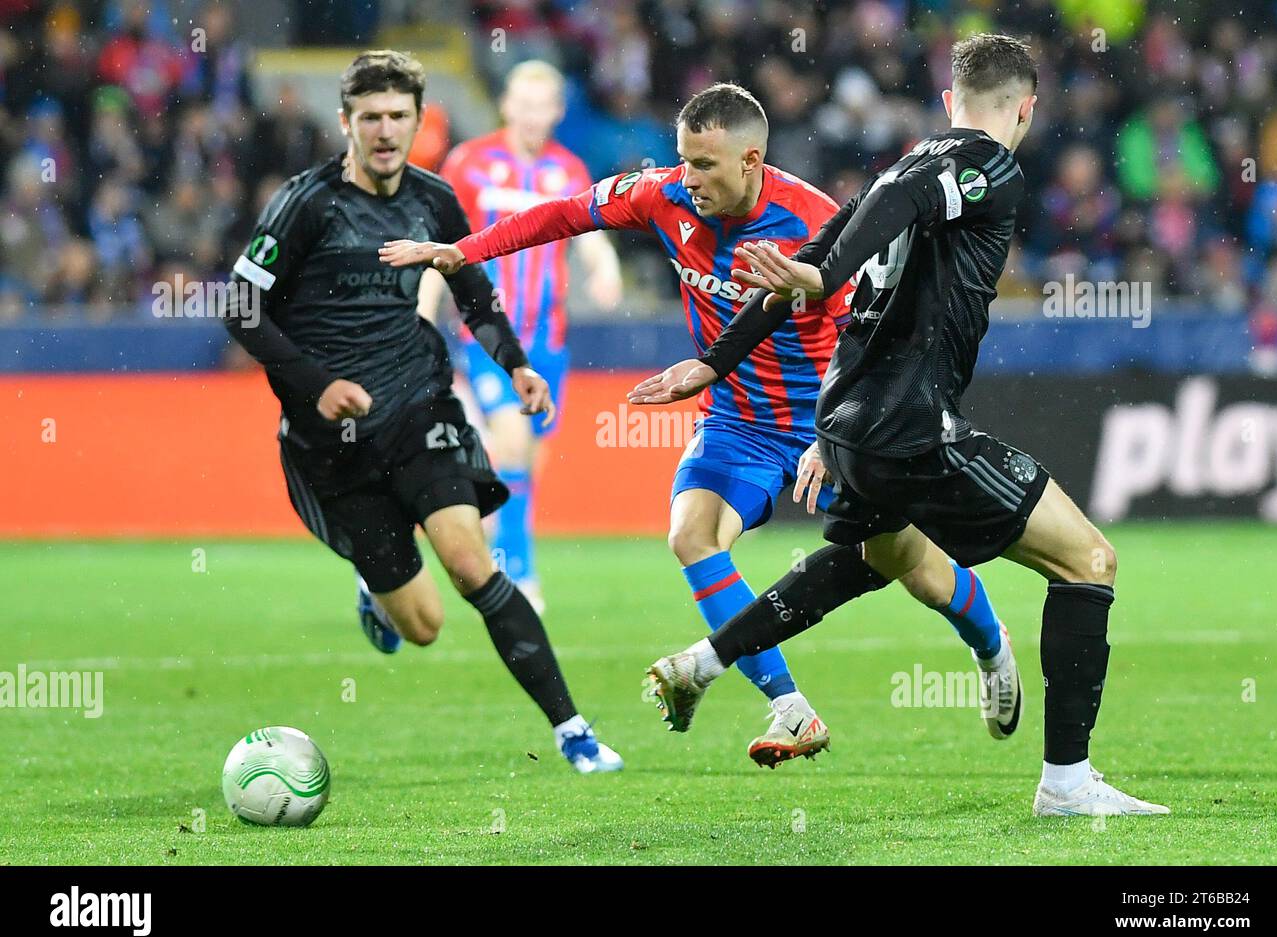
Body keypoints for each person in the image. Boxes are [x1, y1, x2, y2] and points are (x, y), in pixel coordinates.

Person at [379, 82, 1021, 768]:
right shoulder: (665, 195)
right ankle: (790, 710)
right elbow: (565, 215)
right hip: (739, 421)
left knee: (909, 564)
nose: (690, 179)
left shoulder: (815, 222)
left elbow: (870, 338)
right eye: (684, 160)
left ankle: (992, 646)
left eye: (705, 165)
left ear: (751, 160)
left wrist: (838, 432)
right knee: (692, 534)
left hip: (826, 422)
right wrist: (465, 252)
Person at [634, 35, 1167, 815]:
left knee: (870, 560)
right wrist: (824, 275)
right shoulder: (988, 166)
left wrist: (718, 359)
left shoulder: (905, 163)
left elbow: (805, 259)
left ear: (949, 101)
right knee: (1090, 560)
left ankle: (700, 665)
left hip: (846, 417)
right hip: (910, 423)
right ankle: (1067, 783)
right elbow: (824, 259)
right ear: (1027, 107)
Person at [220, 50, 622, 774]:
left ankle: (575, 732)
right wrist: (315, 384)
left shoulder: (436, 201)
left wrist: (517, 364)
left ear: (416, 121)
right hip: (332, 442)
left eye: (397, 116)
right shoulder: (306, 204)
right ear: (345, 122)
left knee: (472, 564)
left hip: (418, 408)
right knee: (426, 627)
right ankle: (378, 592)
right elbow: (240, 306)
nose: (383, 130)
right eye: (369, 117)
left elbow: (472, 293)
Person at [438, 60, 623, 613]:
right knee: (514, 442)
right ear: (506, 105)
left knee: (530, 460)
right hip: (489, 333)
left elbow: (589, 231)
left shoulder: (567, 171)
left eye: (544, 104)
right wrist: (424, 310)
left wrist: (604, 265)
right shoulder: (470, 164)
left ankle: (499, 526)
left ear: (557, 111)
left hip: (549, 337)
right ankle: (517, 571)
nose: (533, 113)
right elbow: (442, 241)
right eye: (524, 101)